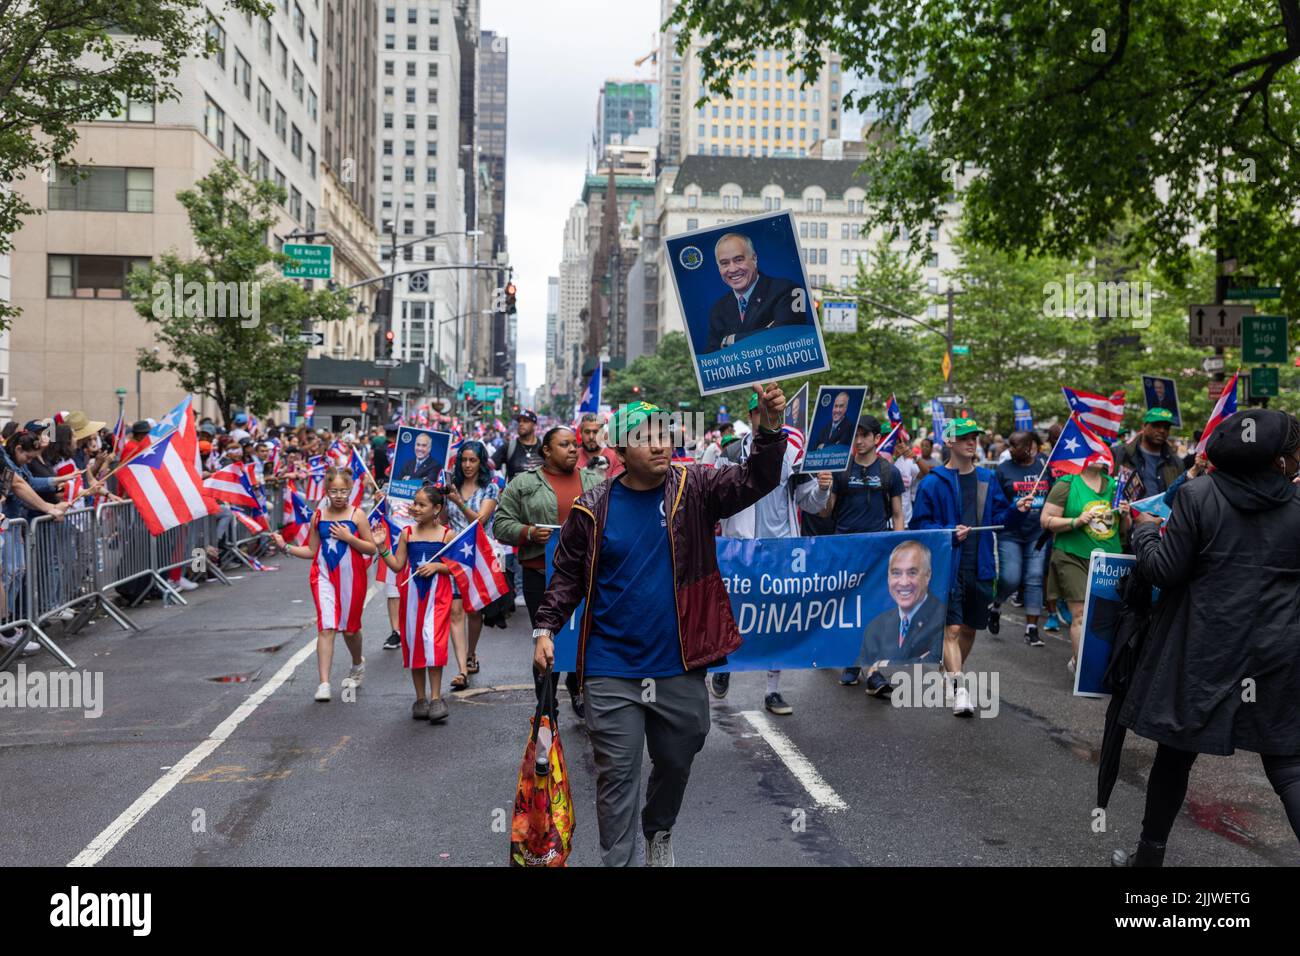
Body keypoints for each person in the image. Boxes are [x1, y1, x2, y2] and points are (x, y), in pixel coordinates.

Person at [532, 386, 787, 866]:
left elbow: (757, 478)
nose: (659, 443)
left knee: (678, 756)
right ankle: (621, 861)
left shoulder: (697, 488)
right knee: (617, 774)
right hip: (611, 669)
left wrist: (770, 429)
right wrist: (544, 629)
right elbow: (566, 578)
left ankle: (660, 828)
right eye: (645, 436)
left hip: (679, 662)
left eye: (665, 433)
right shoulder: (592, 508)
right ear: (621, 449)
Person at [1117, 409, 1300, 866]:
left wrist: (1143, 534)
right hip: (1277, 650)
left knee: (1175, 756)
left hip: (1203, 647)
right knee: (1288, 763)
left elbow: (1163, 569)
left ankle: (1149, 858)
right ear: (1278, 458)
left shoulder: (1198, 496)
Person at [710, 391, 832, 714]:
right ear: (751, 417)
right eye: (758, 413)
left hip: (782, 549)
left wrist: (822, 487)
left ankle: (773, 690)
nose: (764, 418)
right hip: (742, 549)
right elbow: (715, 497)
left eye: (770, 413)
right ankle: (725, 664)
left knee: (778, 618)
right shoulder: (732, 452)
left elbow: (808, 501)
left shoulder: (794, 454)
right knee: (734, 612)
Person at [494, 425, 604, 718]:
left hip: (586, 577)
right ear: (546, 450)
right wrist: (528, 532)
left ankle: (577, 686)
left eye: (574, 445)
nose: (572, 449)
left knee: (582, 636)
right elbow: (500, 524)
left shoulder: (594, 481)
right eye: (564, 445)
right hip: (539, 575)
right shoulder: (523, 484)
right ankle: (547, 702)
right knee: (547, 636)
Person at [910, 417, 1013, 717]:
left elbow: (1000, 518)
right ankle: (959, 690)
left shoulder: (986, 479)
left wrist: (1017, 510)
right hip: (948, 566)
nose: (972, 442)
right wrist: (948, 531)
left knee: (969, 628)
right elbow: (921, 525)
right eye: (965, 438)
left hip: (980, 565)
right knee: (952, 628)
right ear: (950, 443)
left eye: (975, 438)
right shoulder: (933, 481)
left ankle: (952, 672)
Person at [272, 466, 377, 702]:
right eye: (334, 491)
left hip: (353, 578)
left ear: (350, 490)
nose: (339, 495)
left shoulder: (357, 515)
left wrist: (350, 538)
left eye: (343, 491)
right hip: (323, 576)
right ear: (327, 491)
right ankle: (324, 683)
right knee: (326, 627)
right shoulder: (318, 516)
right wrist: (285, 546)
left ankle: (357, 663)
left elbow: (371, 548)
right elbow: (311, 550)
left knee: (350, 630)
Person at [822, 413, 906, 691]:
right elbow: (826, 511)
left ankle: (874, 671)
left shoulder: (889, 472)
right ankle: (851, 661)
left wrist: (899, 546)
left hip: (878, 551)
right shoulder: (841, 470)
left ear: (877, 439)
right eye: (855, 435)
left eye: (864, 435)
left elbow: (897, 514)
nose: (858, 441)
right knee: (849, 608)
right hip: (845, 549)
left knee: (876, 609)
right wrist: (823, 488)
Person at [1039, 453, 1130, 676]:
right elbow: (1046, 520)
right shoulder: (1067, 484)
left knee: (1105, 616)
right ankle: (1085, 671)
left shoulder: (1116, 486)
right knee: (1080, 613)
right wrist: (1076, 521)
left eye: (1104, 451)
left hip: (1108, 561)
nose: (1100, 456)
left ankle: (1081, 660)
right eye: (1094, 451)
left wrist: (1126, 515)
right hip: (1072, 556)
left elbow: (1125, 529)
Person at [373, 484, 455, 723]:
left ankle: (437, 697)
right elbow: (398, 565)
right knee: (416, 642)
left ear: (436, 508)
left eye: (422, 504)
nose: (415, 508)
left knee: (433, 640)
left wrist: (438, 566)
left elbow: (458, 566)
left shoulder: (446, 535)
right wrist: (381, 547)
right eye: (414, 503)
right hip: (412, 598)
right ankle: (420, 699)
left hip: (437, 596)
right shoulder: (407, 533)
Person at [444, 439, 499, 689]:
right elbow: (443, 519)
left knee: (473, 611)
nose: (467, 465)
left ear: (481, 462)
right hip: (453, 554)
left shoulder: (490, 489)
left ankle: (471, 653)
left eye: (472, 460)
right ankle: (461, 670)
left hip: (478, 554)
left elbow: (480, 520)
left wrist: (458, 502)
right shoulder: (451, 486)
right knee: (455, 612)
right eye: (463, 460)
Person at [989, 430, 1052, 646]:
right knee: (1011, 577)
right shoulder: (1002, 470)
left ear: (1029, 447)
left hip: (1037, 532)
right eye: (1010, 444)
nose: (1010, 449)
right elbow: (996, 505)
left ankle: (1031, 629)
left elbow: (1053, 495)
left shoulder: (1044, 467)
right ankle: (997, 604)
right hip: (1010, 533)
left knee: (1034, 577)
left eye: (1016, 445)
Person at [705, 233, 805, 352]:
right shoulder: (718, 309)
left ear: (754, 258)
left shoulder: (789, 290)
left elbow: (787, 335)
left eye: (739, 260)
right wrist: (766, 332)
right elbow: (712, 358)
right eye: (724, 263)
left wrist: (731, 340)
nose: (732, 269)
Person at [857, 539, 945, 668]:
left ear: (927, 576)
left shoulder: (942, 617)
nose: (903, 582)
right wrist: (914, 662)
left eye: (912, 572)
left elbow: (931, 665)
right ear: (888, 577)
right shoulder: (875, 627)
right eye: (896, 573)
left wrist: (884, 665)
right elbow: (866, 667)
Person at [1112, 407, 1185, 499]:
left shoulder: (1175, 462)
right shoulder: (1121, 454)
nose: (1162, 430)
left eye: (1166, 427)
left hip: (1163, 512)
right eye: (1156, 425)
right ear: (1144, 426)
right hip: (1127, 512)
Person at [491, 409, 544, 480]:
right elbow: (489, 466)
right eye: (519, 421)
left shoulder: (544, 448)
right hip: (514, 490)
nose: (521, 424)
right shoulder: (508, 447)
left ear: (534, 425)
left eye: (525, 421)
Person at [576, 412, 622, 478]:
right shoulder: (572, 456)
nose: (591, 437)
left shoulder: (615, 458)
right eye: (587, 432)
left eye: (595, 432)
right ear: (580, 433)